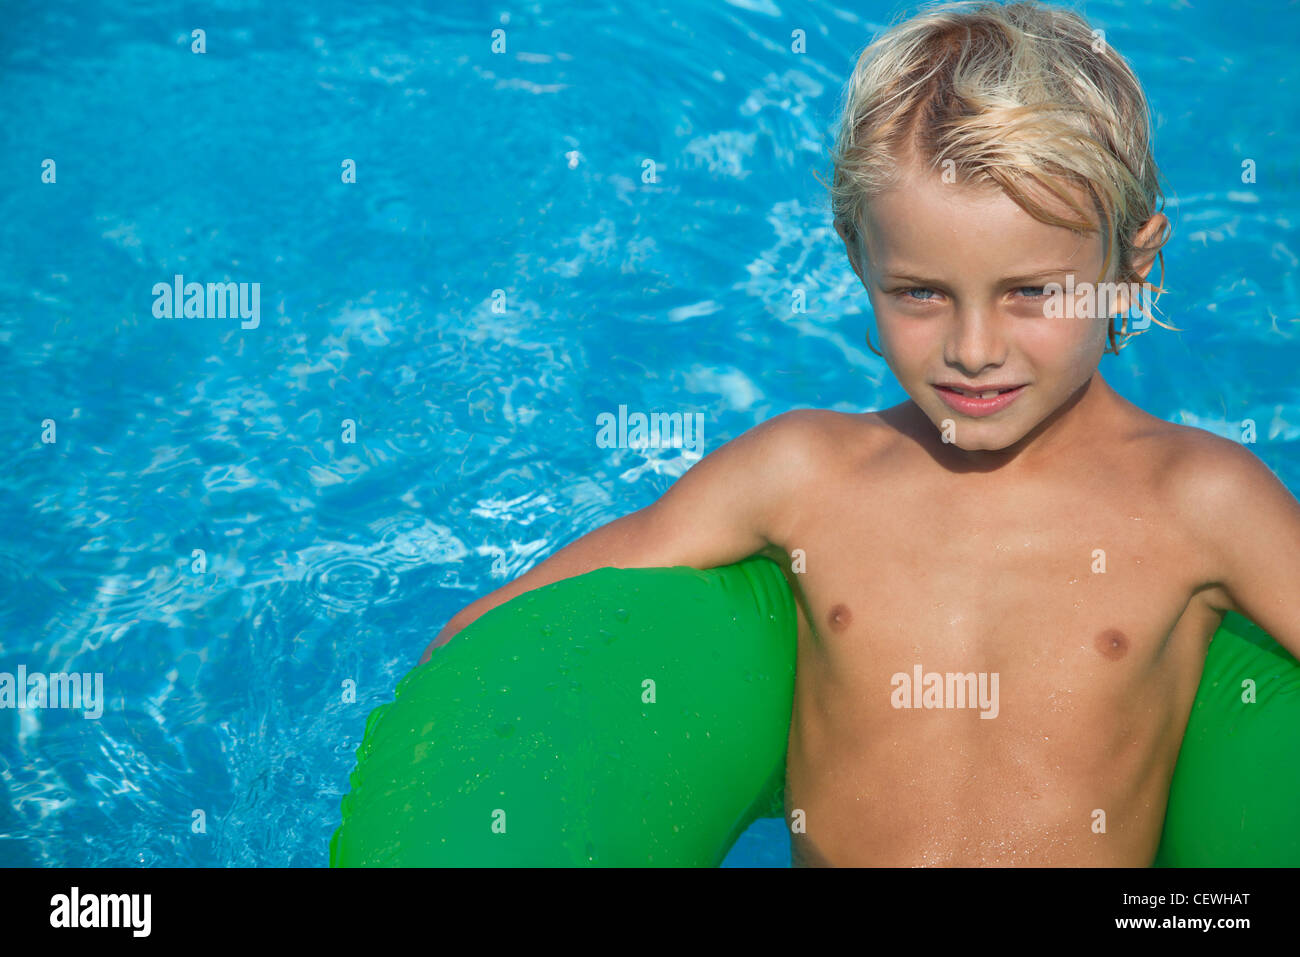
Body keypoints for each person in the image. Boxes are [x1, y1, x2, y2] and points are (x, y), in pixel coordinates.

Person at [420, 0, 1300, 865]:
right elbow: (499, 632)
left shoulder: (1201, 500)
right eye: (920, 291)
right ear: (858, 260)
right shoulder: (802, 474)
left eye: (1030, 292)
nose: (973, 349)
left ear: (1131, 267)